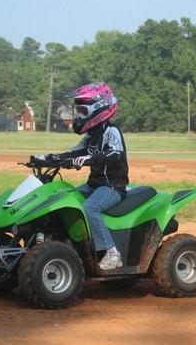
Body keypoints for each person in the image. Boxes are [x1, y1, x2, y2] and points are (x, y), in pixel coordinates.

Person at [41, 82, 129, 270]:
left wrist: (89, 158)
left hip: (112, 186)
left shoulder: (111, 132)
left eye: (82, 110)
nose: (78, 115)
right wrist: (46, 159)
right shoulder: (91, 135)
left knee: (90, 208)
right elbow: (73, 153)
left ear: (97, 109)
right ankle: (69, 245)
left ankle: (112, 253)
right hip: (94, 185)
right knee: (64, 199)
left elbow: (115, 154)